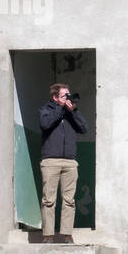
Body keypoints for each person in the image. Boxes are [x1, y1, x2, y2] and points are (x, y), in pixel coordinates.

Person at [38, 83, 88, 244]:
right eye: (64, 95)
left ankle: (67, 235)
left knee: (69, 200)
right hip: (50, 161)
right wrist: (60, 109)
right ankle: (48, 236)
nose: (68, 98)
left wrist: (74, 111)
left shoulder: (70, 113)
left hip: (70, 162)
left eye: (69, 95)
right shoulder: (46, 109)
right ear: (55, 97)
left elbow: (84, 128)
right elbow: (45, 124)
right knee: (49, 200)